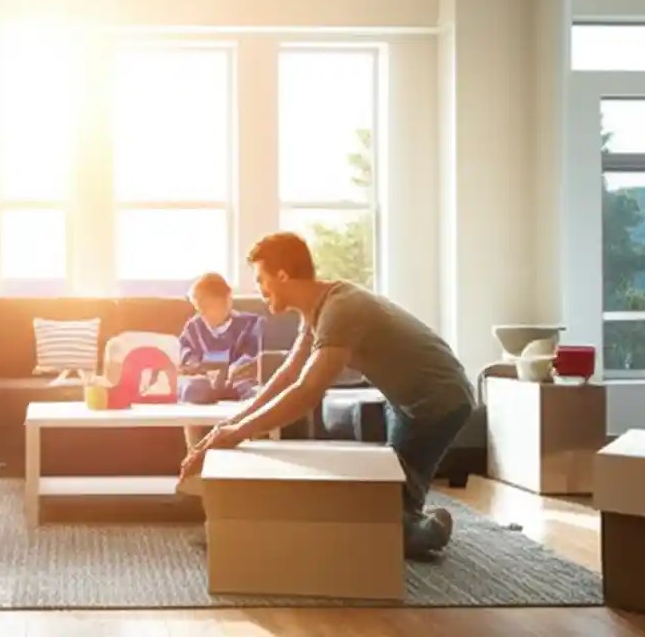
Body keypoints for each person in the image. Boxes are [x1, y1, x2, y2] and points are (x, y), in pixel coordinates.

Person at [180, 232, 475, 559]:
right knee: (378, 513)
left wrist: (239, 433)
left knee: (389, 533)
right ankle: (411, 511)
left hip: (438, 401)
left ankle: (434, 523)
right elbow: (289, 374)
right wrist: (231, 424)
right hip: (404, 402)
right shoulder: (315, 313)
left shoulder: (341, 308)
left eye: (261, 279)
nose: (260, 290)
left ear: (282, 275)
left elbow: (307, 391)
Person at [176, 272, 263, 451]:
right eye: (200, 308)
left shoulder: (250, 324)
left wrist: (238, 368)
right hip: (205, 381)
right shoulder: (194, 327)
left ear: (228, 301)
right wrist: (195, 366)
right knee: (191, 390)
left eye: (210, 306)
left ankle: (253, 447)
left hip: (238, 380)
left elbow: (252, 353)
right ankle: (194, 451)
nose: (205, 313)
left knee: (256, 394)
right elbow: (186, 352)